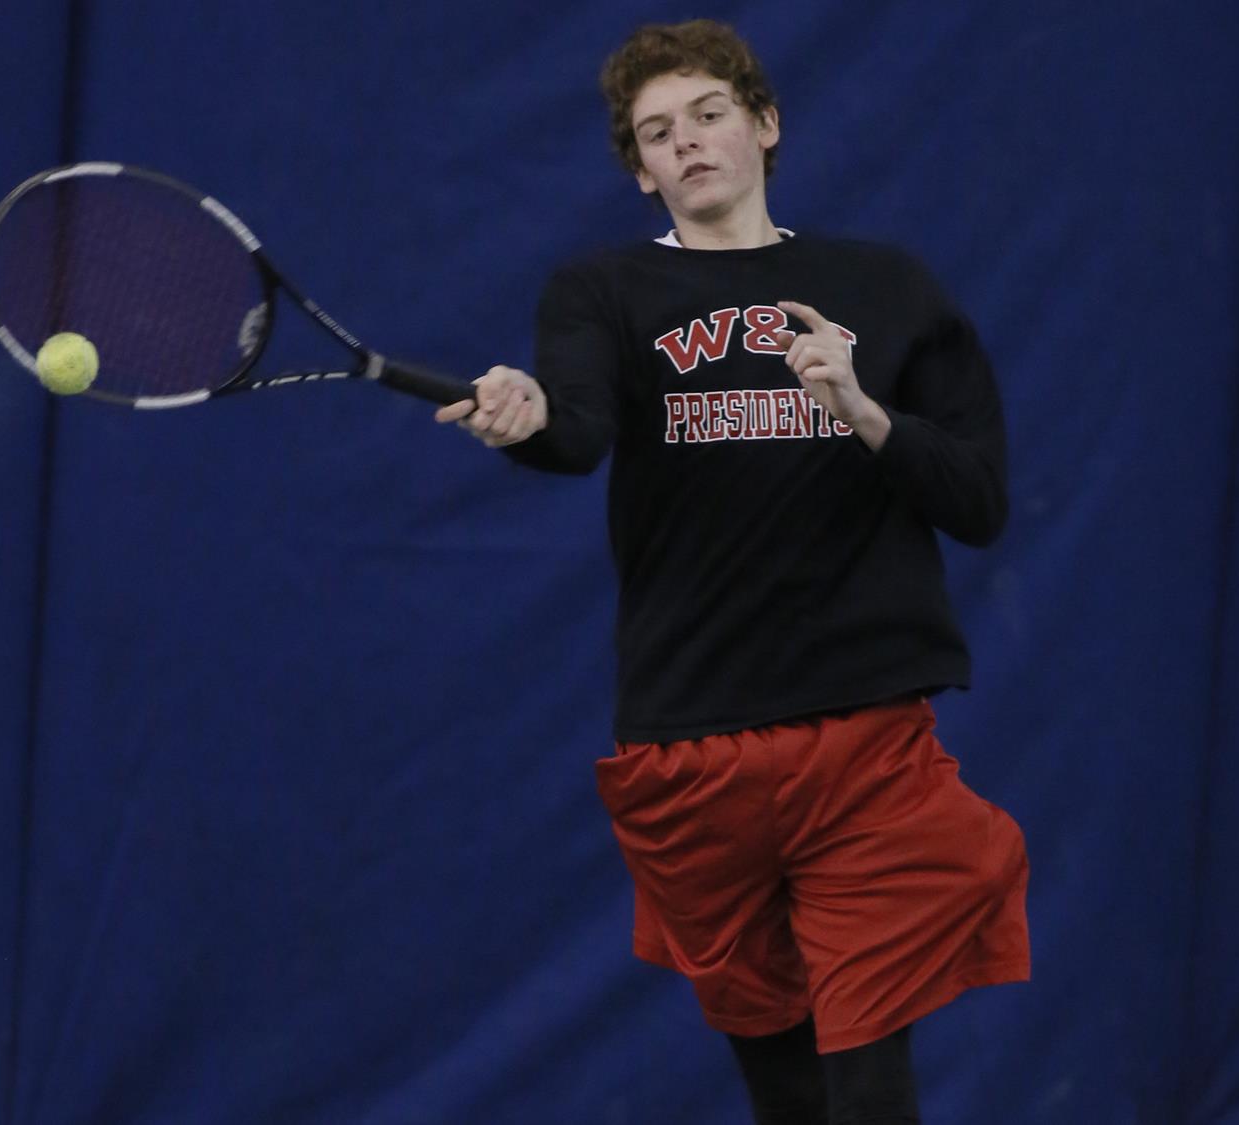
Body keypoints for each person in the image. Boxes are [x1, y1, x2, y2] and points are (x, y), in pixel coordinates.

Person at [435, 20, 1028, 1125]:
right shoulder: (600, 291)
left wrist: (859, 410)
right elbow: (570, 431)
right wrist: (519, 420)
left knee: (868, 1078)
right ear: (638, 170)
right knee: (783, 1081)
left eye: (707, 114)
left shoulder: (884, 288)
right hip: (689, 748)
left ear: (763, 123)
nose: (687, 143)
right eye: (656, 133)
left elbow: (978, 501)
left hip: (862, 741)